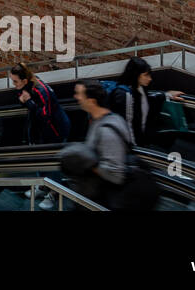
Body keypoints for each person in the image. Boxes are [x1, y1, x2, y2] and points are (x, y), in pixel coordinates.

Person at [66, 79, 157, 210]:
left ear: (91, 101)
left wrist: (86, 163)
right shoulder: (101, 120)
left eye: (79, 93)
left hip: (103, 199)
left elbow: (115, 174)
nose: (76, 97)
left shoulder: (107, 131)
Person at [109, 58, 184, 145]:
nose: (150, 79)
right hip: (133, 145)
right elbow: (126, 125)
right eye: (146, 75)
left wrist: (167, 95)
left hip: (142, 140)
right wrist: (135, 149)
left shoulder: (140, 88)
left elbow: (148, 101)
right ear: (136, 75)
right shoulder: (124, 95)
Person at [9, 63, 71, 144]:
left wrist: (28, 101)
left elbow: (44, 116)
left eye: (15, 81)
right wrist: (23, 101)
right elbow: (23, 98)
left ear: (24, 81)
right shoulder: (24, 85)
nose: (13, 84)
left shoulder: (41, 91)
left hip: (56, 130)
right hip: (41, 127)